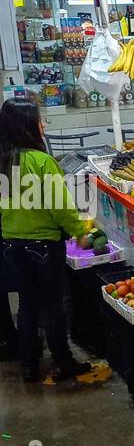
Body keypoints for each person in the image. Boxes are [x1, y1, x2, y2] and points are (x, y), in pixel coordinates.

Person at [0, 99, 90, 383]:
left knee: (27, 305)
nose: (43, 125)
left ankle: (28, 365)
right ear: (27, 127)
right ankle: (63, 362)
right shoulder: (41, 162)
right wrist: (79, 231)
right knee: (52, 306)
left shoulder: (3, 161)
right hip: (43, 246)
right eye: (39, 120)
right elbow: (60, 206)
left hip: (12, 245)